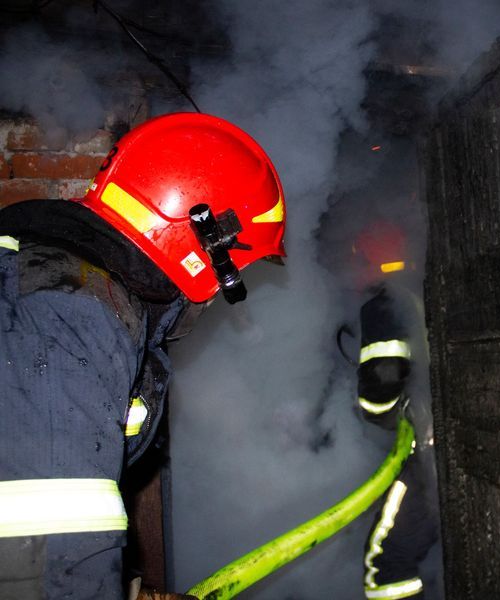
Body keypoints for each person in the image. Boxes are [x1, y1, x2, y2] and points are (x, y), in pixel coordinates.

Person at [0, 112, 286, 600]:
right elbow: (45, 557)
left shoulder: (67, 286)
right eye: (233, 269)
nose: (220, 290)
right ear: (201, 242)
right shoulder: (70, 314)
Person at [352, 221, 440, 600]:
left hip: (429, 454)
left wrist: (373, 411)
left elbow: (384, 377)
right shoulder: (422, 290)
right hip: (445, 444)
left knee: (385, 562)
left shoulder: (384, 304)